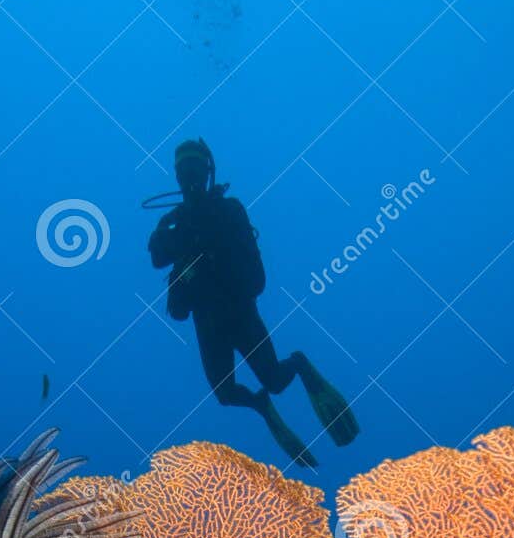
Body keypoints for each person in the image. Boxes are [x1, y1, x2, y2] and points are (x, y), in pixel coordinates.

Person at [147, 138, 358, 468]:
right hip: (208, 322)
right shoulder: (175, 222)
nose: (189, 178)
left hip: (240, 312)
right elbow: (158, 258)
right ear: (177, 176)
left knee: (275, 380)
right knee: (226, 394)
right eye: (184, 171)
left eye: (195, 170)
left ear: (207, 173)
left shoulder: (227, 209)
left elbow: (252, 271)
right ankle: (261, 405)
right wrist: (164, 232)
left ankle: (299, 364)